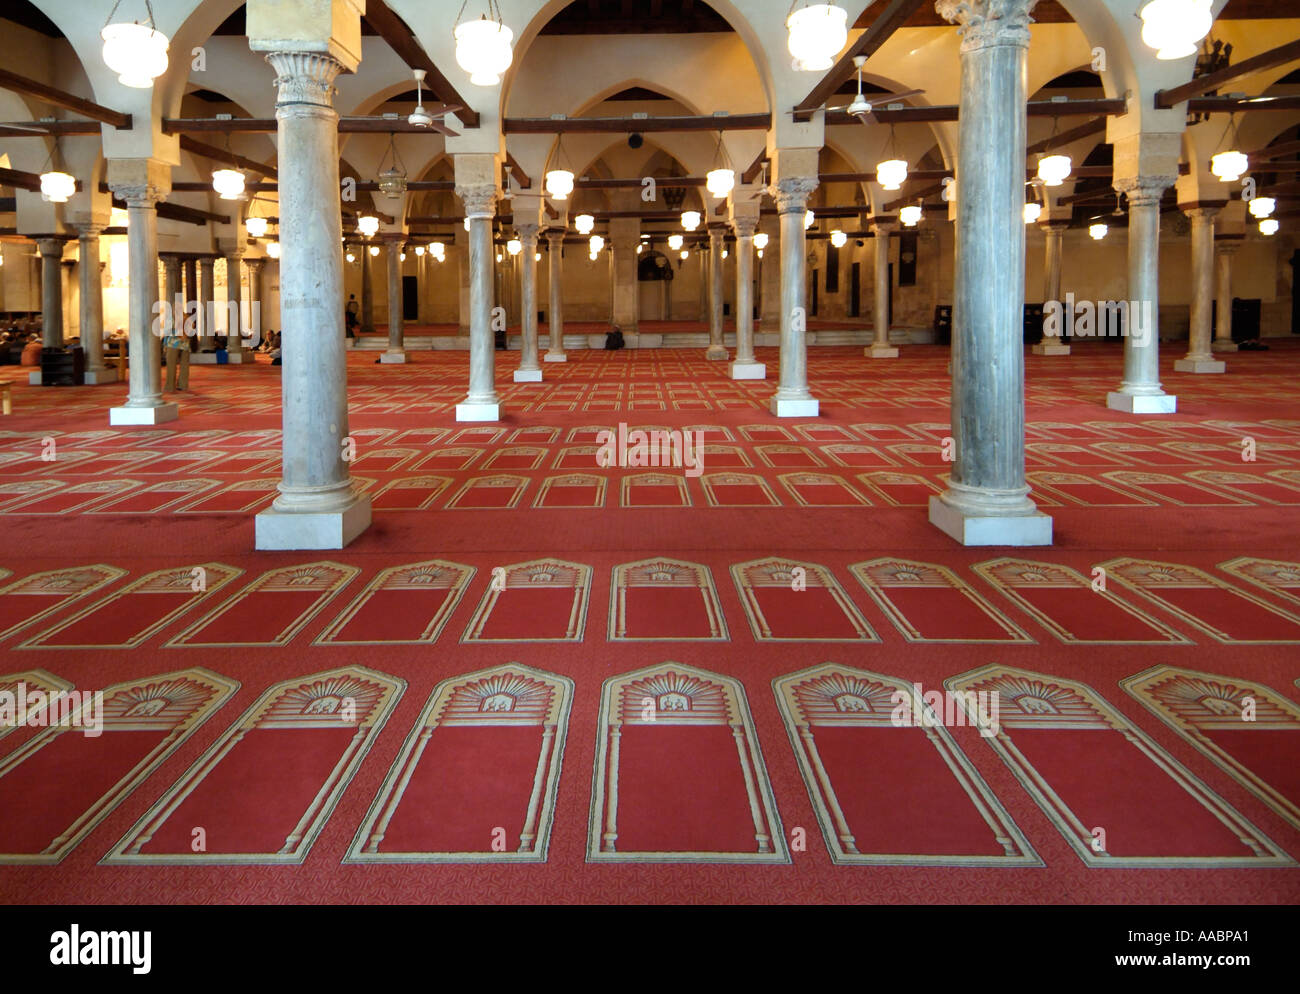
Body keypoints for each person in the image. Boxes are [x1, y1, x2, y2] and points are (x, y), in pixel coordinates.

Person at [163, 323, 189, 392]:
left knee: (171, 364)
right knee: (184, 365)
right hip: (185, 342)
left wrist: (165, 344)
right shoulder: (185, 316)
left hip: (173, 343)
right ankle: (183, 385)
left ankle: (170, 386)